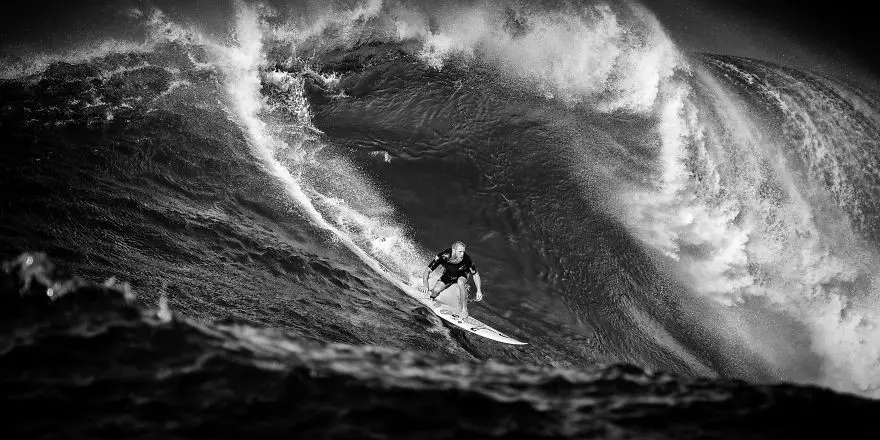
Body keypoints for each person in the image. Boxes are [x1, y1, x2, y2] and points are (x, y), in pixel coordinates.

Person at [422, 241, 483, 319]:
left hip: (462, 275)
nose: (462, 254)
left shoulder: (467, 259)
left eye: (463, 252)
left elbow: (475, 274)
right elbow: (427, 270)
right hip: (449, 275)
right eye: (460, 252)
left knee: (460, 283)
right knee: (436, 291)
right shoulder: (444, 256)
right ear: (453, 250)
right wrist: (425, 285)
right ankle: (432, 298)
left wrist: (479, 290)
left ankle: (464, 310)